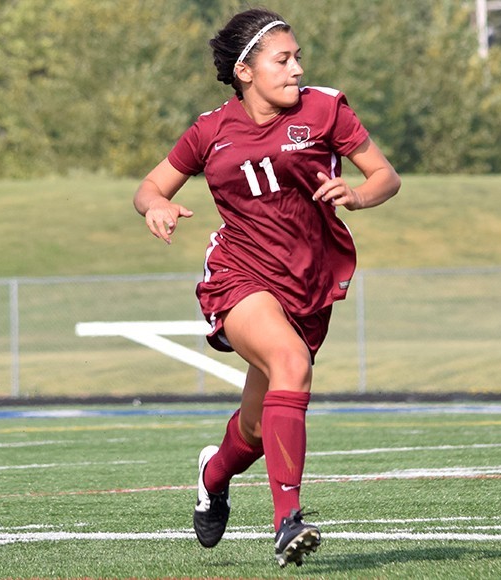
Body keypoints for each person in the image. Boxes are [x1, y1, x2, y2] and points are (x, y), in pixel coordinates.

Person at [132, 8, 400, 567]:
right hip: (239, 274)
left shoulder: (325, 109)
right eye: (284, 59)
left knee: (256, 428)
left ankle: (213, 473)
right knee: (290, 362)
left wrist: (357, 195)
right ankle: (288, 522)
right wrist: (156, 205)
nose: (298, 68)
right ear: (245, 70)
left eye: (298, 57)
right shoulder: (211, 129)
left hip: (308, 281)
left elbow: (386, 177)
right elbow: (150, 186)